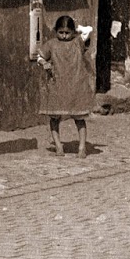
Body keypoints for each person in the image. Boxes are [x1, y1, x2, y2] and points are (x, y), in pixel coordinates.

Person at [35, 15, 96, 157]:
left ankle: (82, 148)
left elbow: (88, 30)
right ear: (56, 31)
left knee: (79, 118)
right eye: (60, 32)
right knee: (55, 118)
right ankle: (58, 146)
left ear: (73, 32)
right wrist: (44, 63)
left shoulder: (78, 42)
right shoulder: (51, 44)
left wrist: (78, 29)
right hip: (58, 85)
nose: (64, 36)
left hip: (76, 85)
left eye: (67, 32)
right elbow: (40, 57)